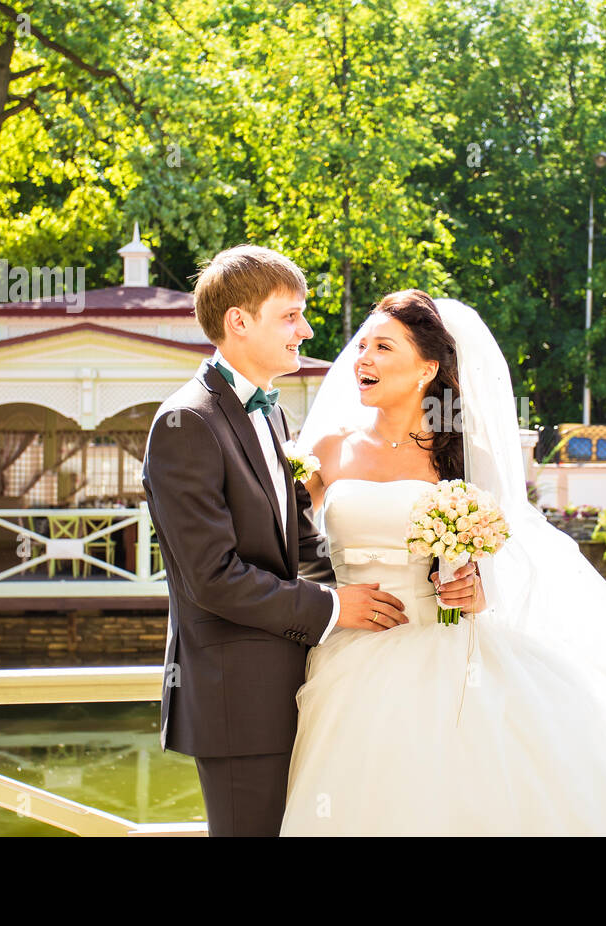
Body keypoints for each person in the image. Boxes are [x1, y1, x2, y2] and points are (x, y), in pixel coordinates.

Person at [280, 289, 606, 835]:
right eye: (362, 345)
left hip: (448, 647)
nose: (362, 359)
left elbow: (511, 546)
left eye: (383, 347)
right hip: (350, 655)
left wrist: (478, 587)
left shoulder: (458, 451)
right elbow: (282, 534)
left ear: (426, 369)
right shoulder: (328, 448)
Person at [141, 245, 410, 837]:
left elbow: (293, 543)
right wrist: (339, 607)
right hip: (238, 698)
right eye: (290, 315)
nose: (306, 330)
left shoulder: (269, 415)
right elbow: (213, 578)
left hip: (303, 684)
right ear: (239, 321)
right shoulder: (187, 422)